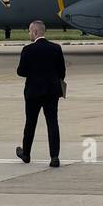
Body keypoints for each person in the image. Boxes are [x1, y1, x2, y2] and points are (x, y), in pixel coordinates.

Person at [16, 20, 67, 168]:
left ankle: (26, 153)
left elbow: (21, 72)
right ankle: (54, 156)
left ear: (35, 32)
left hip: (33, 92)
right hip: (51, 92)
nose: (29, 34)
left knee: (30, 123)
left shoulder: (27, 50)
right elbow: (62, 72)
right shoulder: (56, 48)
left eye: (30, 31)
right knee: (52, 123)